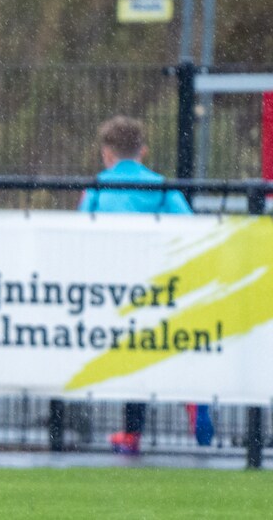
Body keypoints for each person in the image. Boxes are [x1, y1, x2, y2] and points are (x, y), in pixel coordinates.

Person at [77, 115, 207, 454]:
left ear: (106, 153)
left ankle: (130, 431)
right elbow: (189, 229)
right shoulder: (161, 187)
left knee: (127, 353)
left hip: (112, 287)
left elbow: (77, 235)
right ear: (143, 152)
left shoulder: (99, 187)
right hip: (157, 284)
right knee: (160, 343)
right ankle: (190, 393)